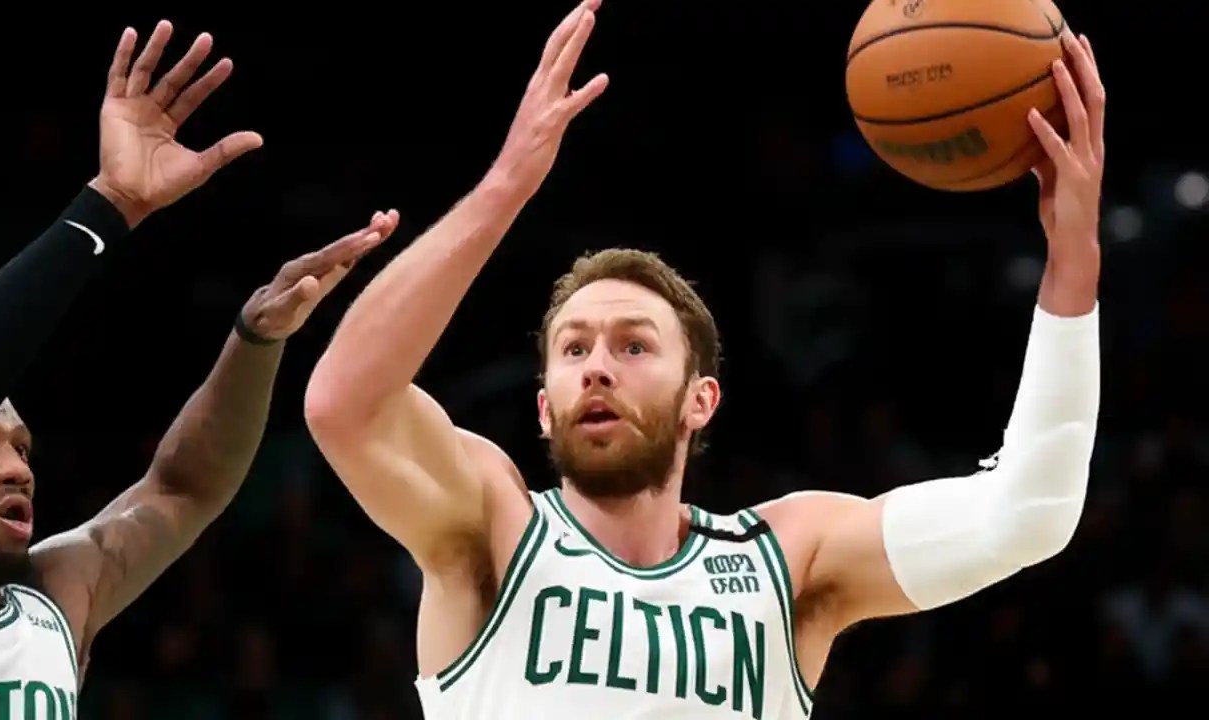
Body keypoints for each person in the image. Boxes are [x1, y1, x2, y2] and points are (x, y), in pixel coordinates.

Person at [304, 1, 1106, 718]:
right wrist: (505, 187)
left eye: (633, 344)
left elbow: (1030, 513)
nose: (597, 366)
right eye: (573, 349)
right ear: (544, 407)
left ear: (702, 399)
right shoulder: (491, 528)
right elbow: (344, 405)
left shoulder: (789, 561)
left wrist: (1073, 256)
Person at [0, 20, 396, 719]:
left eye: (22, 448)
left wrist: (256, 340)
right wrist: (109, 206)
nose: (17, 469)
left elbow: (183, 488)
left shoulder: (54, 599)